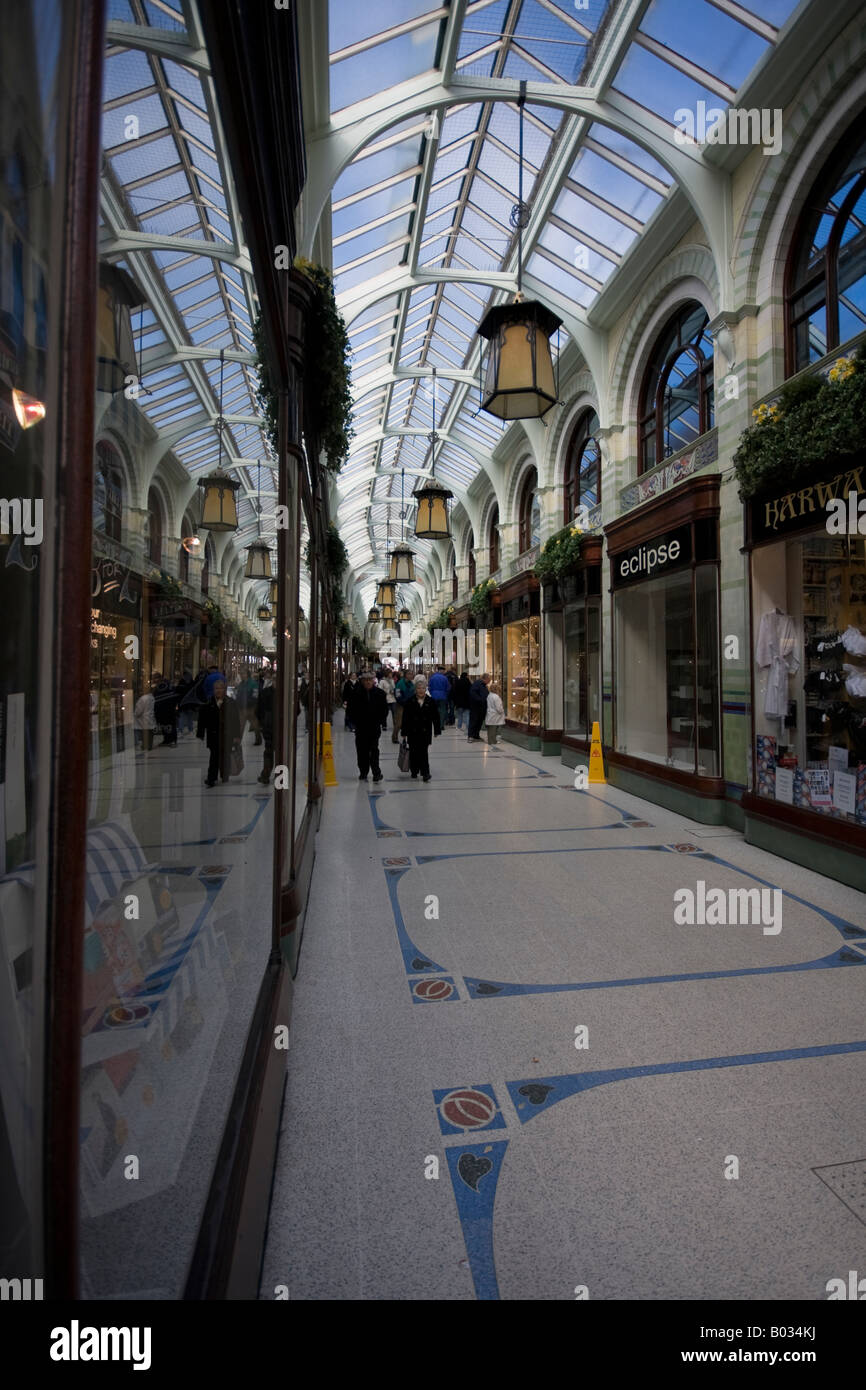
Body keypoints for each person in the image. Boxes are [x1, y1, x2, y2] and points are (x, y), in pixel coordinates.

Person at [197, 678, 242, 786]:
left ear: (225, 690)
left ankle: (224, 775)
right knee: (214, 757)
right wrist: (201, 733)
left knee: (225, 756)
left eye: (221, 688)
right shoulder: (208, 703)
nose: (218, 690)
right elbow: (202, 720)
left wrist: (237, 736)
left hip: (227, 735)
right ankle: (211, 778)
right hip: (214, 735)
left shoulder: (231, 703)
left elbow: (236, 720)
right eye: (216, 688)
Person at [346, 670, 388, 781]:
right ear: (362, 681)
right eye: (366, 680)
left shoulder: (380, 694)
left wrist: (380, 721)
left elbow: (384, 710)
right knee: (362, 750)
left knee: (374, 750)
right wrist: (354, 723)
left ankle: (376, 773)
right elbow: (350, 710)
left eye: (370, 680)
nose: (368, 682)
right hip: (361, 727)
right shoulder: (356, 694)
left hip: (374, 727)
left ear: (373, 681)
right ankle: (363, 771)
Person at [401, 674, 441, 781]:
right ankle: (414, 770)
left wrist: (437, 730)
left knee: (424, 752)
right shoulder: (410, 701)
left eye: (423, 688)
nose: (421, 690)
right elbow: (405, 718)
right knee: (414, 752)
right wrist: (404, 732)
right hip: (412, 732)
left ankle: (425, 773)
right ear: (415, 690)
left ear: (426, 689)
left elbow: (435, 717)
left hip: (425, 731)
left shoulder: (430, 701)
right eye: (418, 688)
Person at [255, 669, 275, 784]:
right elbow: (258, 710)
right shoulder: (265, 693)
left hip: (276, 727)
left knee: (278, 753)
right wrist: (263, 723)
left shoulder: (285, 692)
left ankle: (280, 779)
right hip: (269, 728)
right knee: (268, 751)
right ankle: (266, 775)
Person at [153, 674, 179, 746]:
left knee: (167, 724)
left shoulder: (161, 686)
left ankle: (170, 740)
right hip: (168, 709)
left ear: (159, 678)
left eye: (155, 678)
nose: (154, 680)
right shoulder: (169, 685)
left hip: (164, 709)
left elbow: (156, 696)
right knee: (168, 724)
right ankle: (169, 740)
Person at [133, 677, 157, 754]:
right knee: (150, 733)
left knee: (144, 733)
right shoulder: (152, 698)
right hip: (150, 718)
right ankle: (149, 746)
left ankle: (144, 746)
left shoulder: (142, 699)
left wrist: (135, 714)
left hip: (143, 719)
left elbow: (138, 711)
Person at [468, 672, 490, 741]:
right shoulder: (478, 684)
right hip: (476, 706)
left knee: (479, 721)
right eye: (489, 679)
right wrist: (480, 700)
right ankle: (470, 736)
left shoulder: (483, 685)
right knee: (474, 721)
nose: (489, 681)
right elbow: (473, 693)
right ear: (485, 678)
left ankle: (476, 735)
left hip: (482, 707)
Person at [393, 668, 414, 743]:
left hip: (409, 705)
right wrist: (403, 702)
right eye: (409, 674)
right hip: (400, 705)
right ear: (405, 675)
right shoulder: (400, 683)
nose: (411, 675)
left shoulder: (411, 683)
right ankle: (394, 737)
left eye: (412, 674)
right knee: (399, 723)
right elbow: (397, 694)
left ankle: (408, 737)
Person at [428, 666, 450, 730]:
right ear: (442, 671)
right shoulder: (445, 678)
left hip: (434, 696)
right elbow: (448, 688)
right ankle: (441, 725)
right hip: (442, 696)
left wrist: (432, 693)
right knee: (442, 711)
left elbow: (429, 687)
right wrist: (445, 694)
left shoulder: (432, 677)